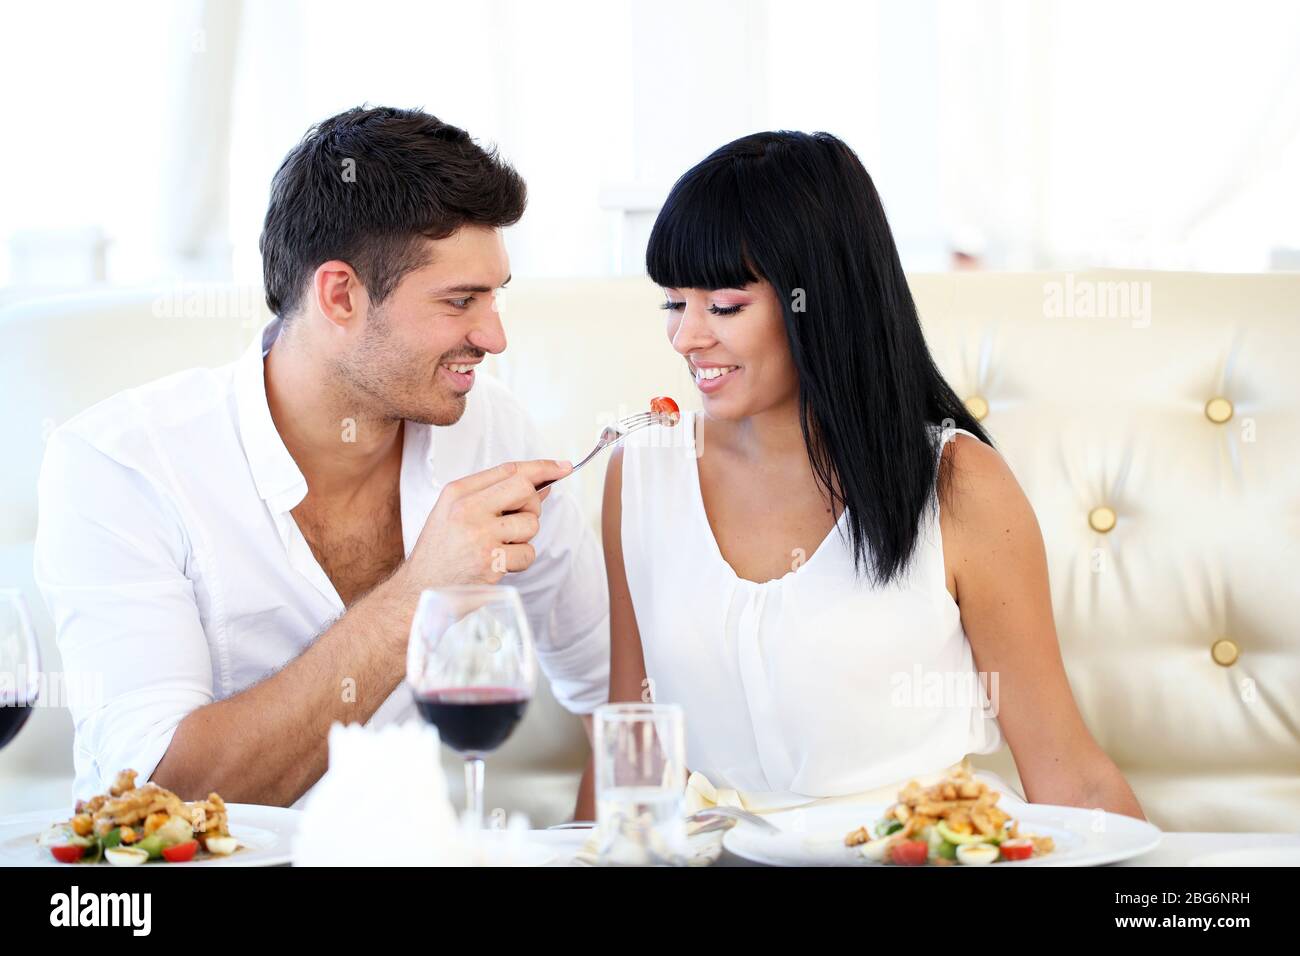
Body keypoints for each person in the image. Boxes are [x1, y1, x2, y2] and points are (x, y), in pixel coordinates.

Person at [34, 106, 609, 808]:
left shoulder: (491, 432)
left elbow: (614, 691)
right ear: (340, 294)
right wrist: (420, 592)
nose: (493, 338)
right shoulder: (120, 468)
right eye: (460, 301)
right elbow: (160, 799)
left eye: (494, 299)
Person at [578, 131, 1143, 821]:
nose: (686, 336)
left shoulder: (957, 484)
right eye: (674, 302)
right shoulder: (639, 477)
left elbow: (1070, 774)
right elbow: (628, 759)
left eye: (723, 305)